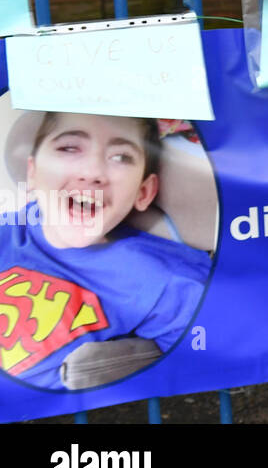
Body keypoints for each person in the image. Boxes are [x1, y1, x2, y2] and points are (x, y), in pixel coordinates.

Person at [0, 112, 210, 390]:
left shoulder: (168, 283)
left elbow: (209, 368)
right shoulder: (10, 232)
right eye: (69, 148)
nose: (92, 172)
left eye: (120, 157)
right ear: (33, 173)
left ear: (144, 192)